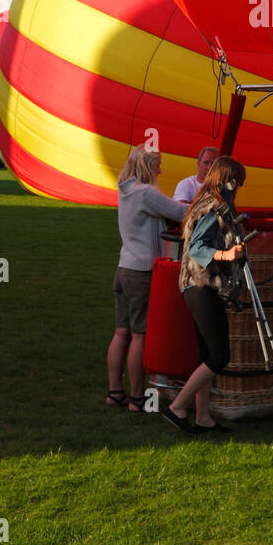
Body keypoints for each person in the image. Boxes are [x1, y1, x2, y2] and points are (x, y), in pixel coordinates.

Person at [161, 156, 248, 436]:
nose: (238, 189)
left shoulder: (202, 202)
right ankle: (178, 407)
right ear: (228, 181)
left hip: (194, 286)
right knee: (220, 355)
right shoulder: (213, 206)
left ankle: (203, 417)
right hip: (202, 285)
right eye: (237, 183)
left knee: (207, 355)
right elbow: (198, 247)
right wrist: (226, 253)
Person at [107, 144, 187, 412]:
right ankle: (138, 398)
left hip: (123, 268)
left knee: (121, 333)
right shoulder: (146, 193)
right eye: (157, 165)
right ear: (147, 166)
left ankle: (115, 392)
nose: (161, 170)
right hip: (141, 271)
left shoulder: (125, 190)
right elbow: (180, 213)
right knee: (140, 336)